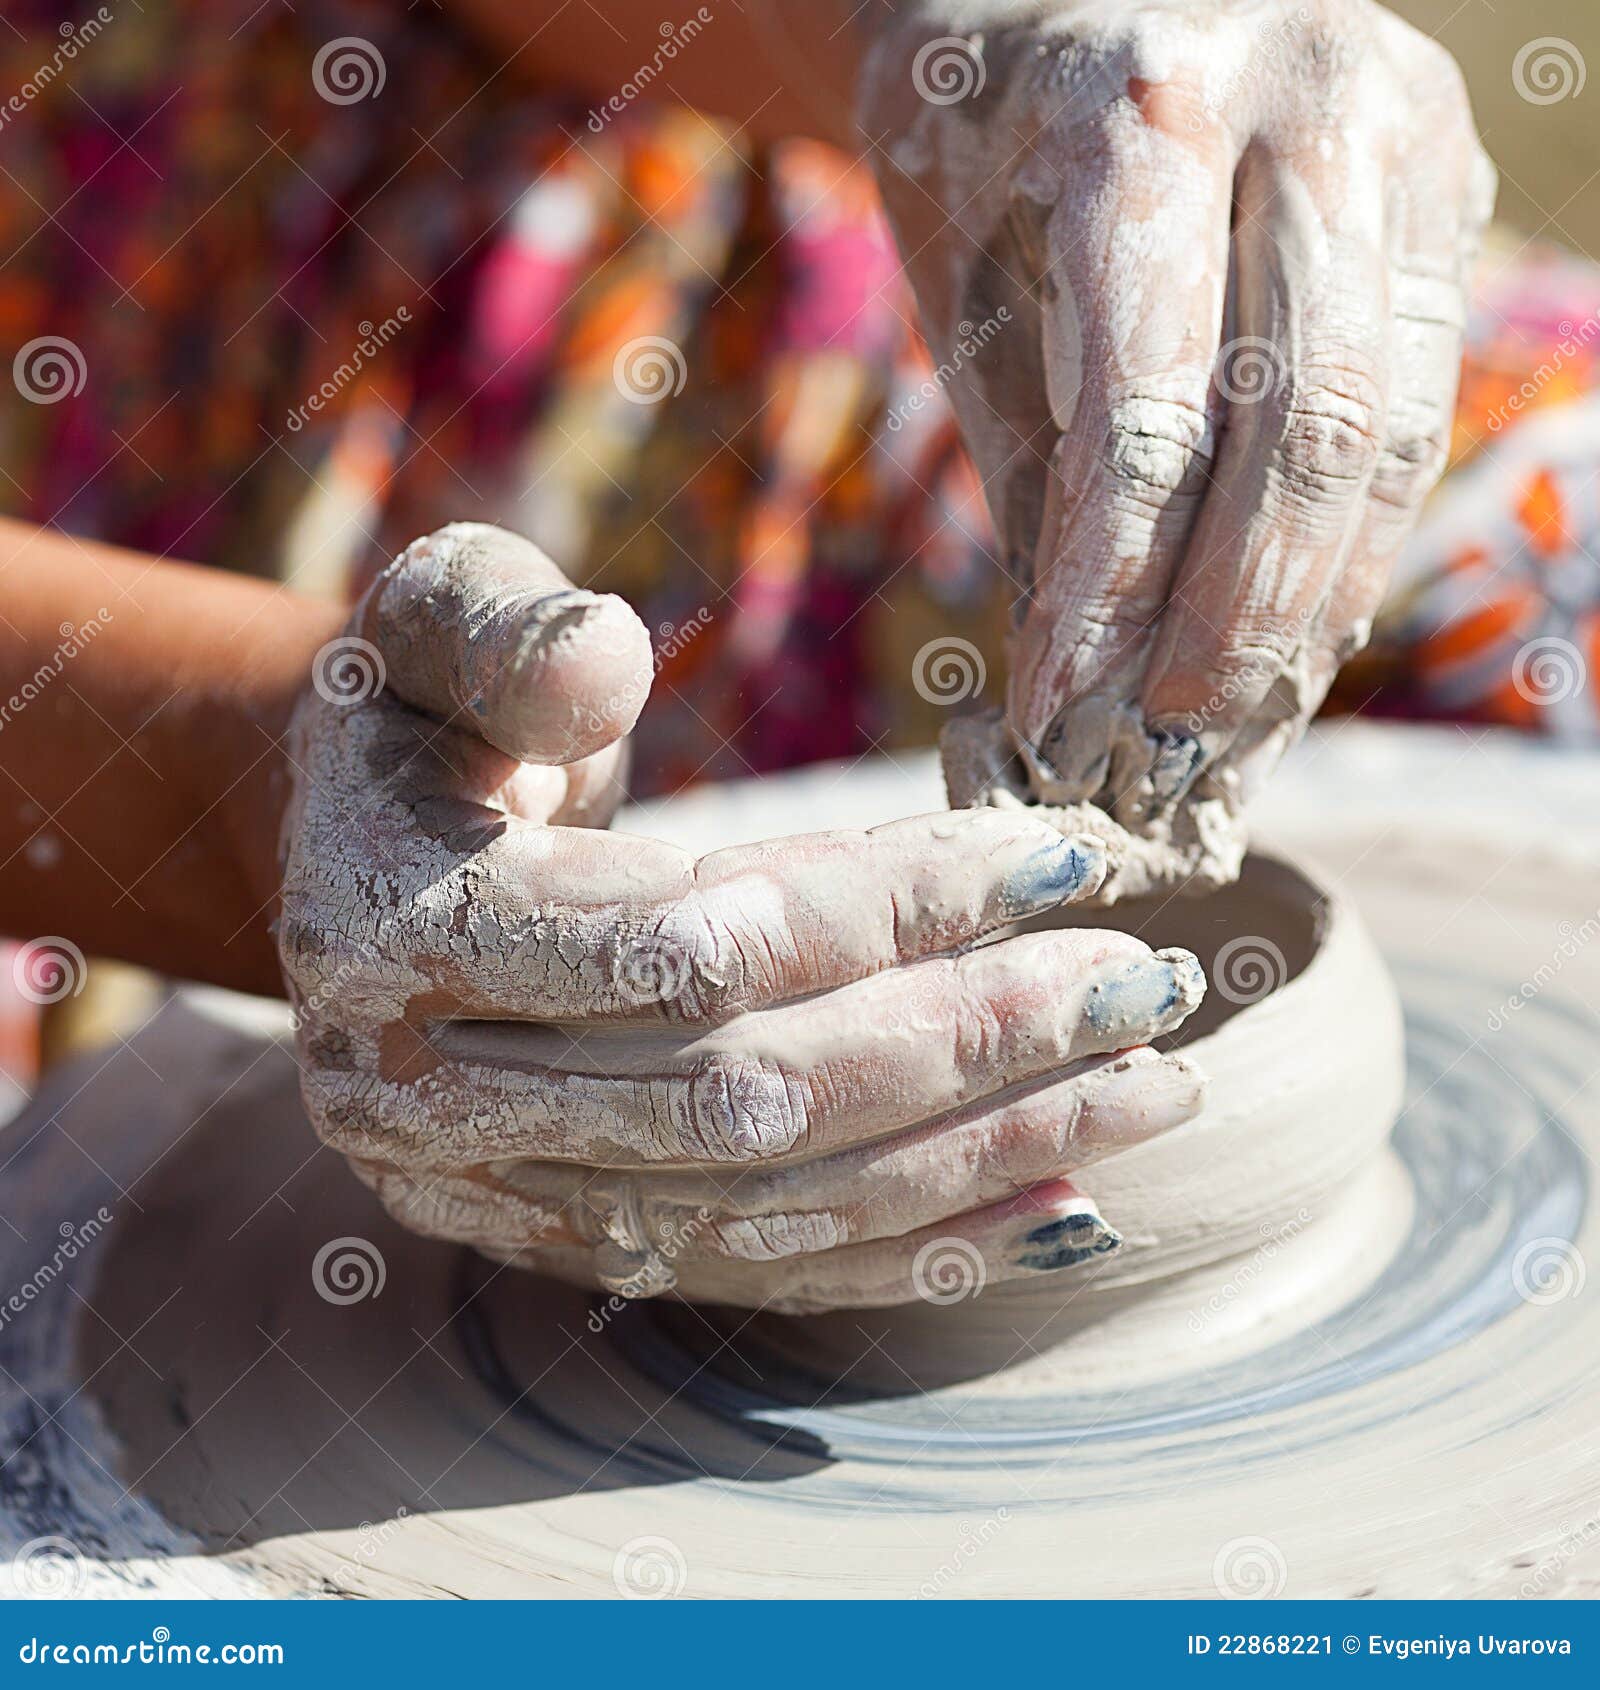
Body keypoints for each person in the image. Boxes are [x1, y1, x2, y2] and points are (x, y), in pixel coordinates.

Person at [0, 1, 1500, 1305]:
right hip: (73, 637)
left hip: (601, 259)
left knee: (1528, 556)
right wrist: (235, 774)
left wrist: (959, 27)